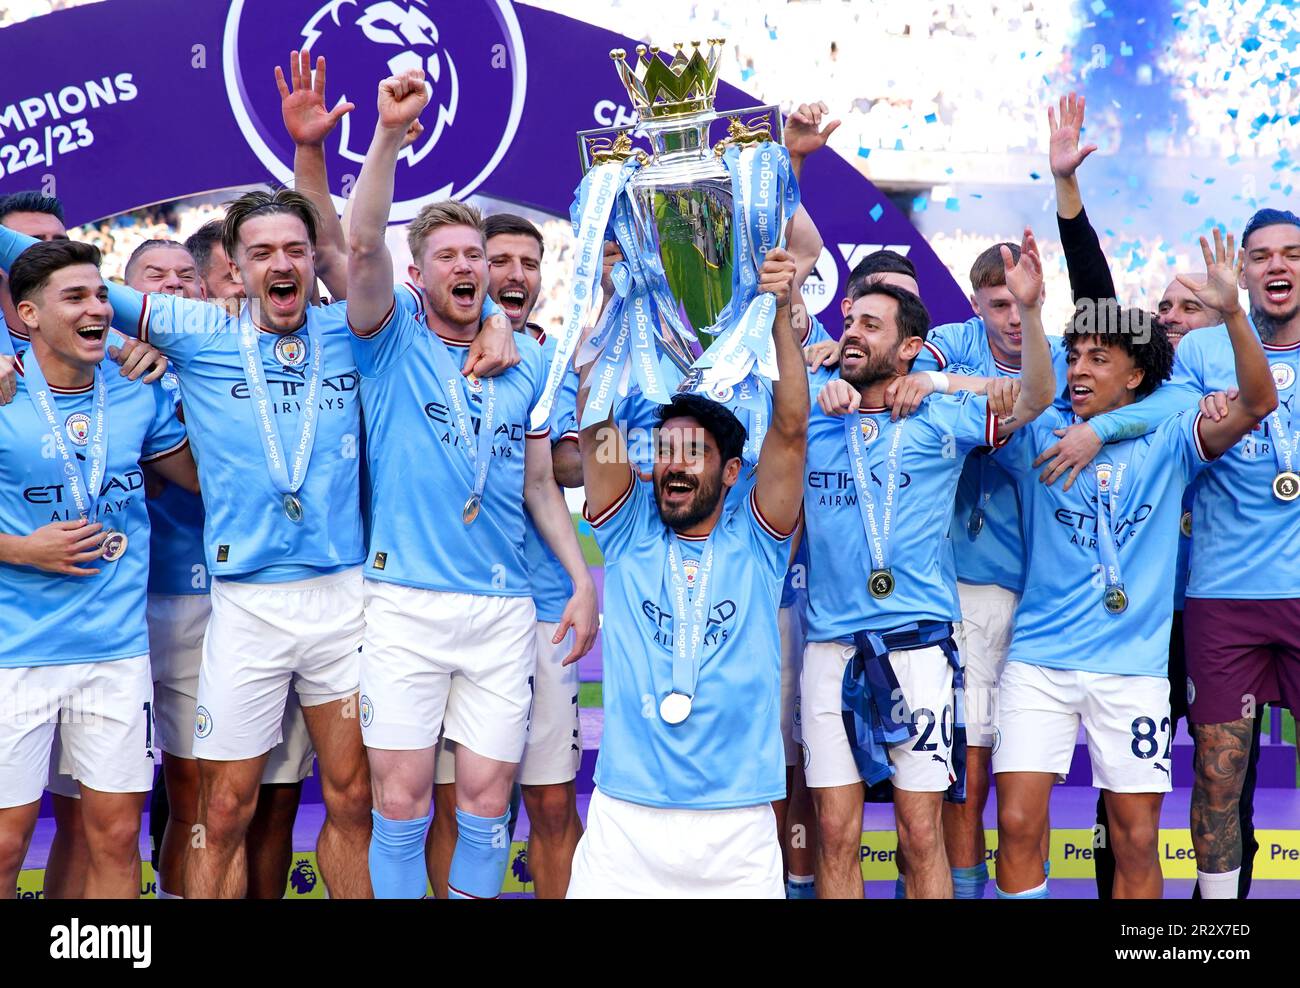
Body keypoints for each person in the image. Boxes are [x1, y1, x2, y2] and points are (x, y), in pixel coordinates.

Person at [345, 67, 598, 900]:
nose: (465, 266)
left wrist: (576, 579)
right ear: (419, 273)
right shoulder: (386, 339)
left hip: (498, 612)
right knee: (401, 803)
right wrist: (387, 137)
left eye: (473, 258)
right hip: (405, 606)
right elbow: (360, 239)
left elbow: (536, 486)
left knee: (490, 807)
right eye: (447, 254)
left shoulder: (521, 363)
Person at [993, 229, 1274, 899]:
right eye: (1074, 356)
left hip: (1134, 668)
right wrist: (1032, 315)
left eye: (1099, 357)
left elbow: (1258, 403)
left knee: (1137, 839)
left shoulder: (1174, 433)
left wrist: (1234, 313)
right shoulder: (1042, 425)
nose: (1080, 370)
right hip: (1039, 658)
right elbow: (1028, 391)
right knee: (1016, 823)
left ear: (1136, 374)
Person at [802, 231, 1054, 899]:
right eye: (849, 319)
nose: (851, 331)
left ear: (910, 346)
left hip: (918, 650)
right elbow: (763, 363)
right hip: (829, 648)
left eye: (870, 325)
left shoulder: (944, 413)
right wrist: (811, 365)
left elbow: (1033, 399)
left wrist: (1029, 313)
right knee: (835, 832)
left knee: (921, 833)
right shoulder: (817, 408)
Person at [567, 244, 807, 897]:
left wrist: (782, 312)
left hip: (736, 831)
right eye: (665, 450)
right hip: (626, 823)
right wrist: (613, 304)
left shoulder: (758, 542)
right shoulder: (628, 529)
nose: (673, 465)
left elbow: (789, 430)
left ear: (732, 471)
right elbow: (595, 426)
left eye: (693, 454)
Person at [0, 239, 197, 898]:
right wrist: (21, 550)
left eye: (101, 295)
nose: (97, 309)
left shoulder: (136, 392)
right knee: (6, 844)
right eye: (75, 297)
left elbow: (199, 476)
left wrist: (184, 368)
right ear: (27, 315)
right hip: (16, 652)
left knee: (113, 837)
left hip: (115, 652)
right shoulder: (1, 390)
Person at [122, 237, 315, 899]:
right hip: (176, 598)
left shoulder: (230, 358)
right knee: (197, 793)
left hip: (279, 594)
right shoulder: (123, 373)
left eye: (185, 275)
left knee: (274, 794)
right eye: (154, 276)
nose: (173, 285)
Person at [427, 213, 587, 899]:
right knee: (448, 805)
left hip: (542, 608)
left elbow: (572, 470)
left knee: (550, 803)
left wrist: (616, 433)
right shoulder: (426, 352)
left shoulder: (554, 364)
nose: (516, 274)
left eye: (530, 261)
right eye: (501, 260)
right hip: (446, 603)